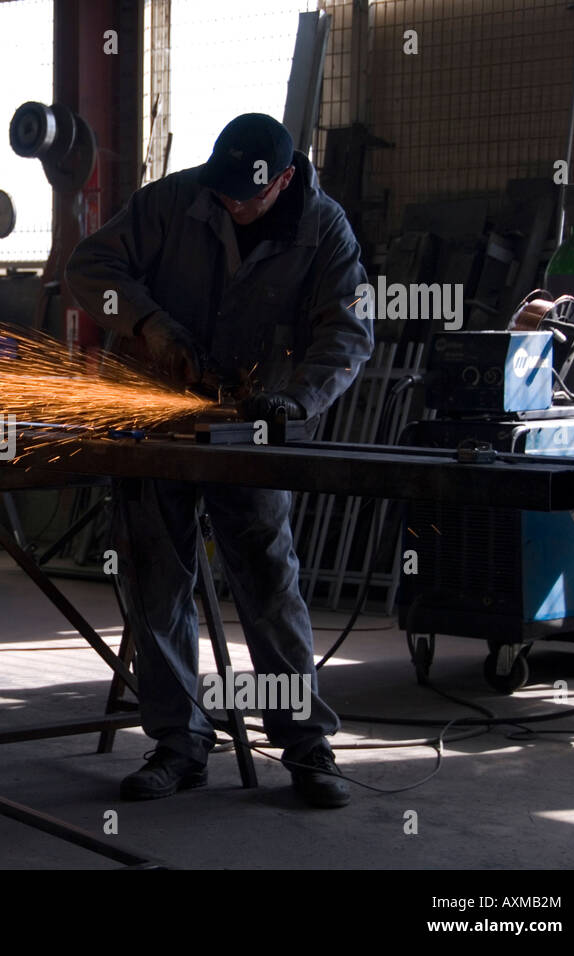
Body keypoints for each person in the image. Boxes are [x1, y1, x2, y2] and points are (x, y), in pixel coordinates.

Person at [64, 113, 373, 808]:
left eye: (247, 196)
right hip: (159, 419)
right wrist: (148, 323)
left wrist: (296, 402)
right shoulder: (176, 200)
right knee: (156, 580)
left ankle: (305, 746)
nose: (231, 205)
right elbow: (90, 267)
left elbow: (348, 329)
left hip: (250, 423)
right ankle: (180, 743)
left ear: (285, 179)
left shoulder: (323, 230)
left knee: (266, 579)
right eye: (224, 191)